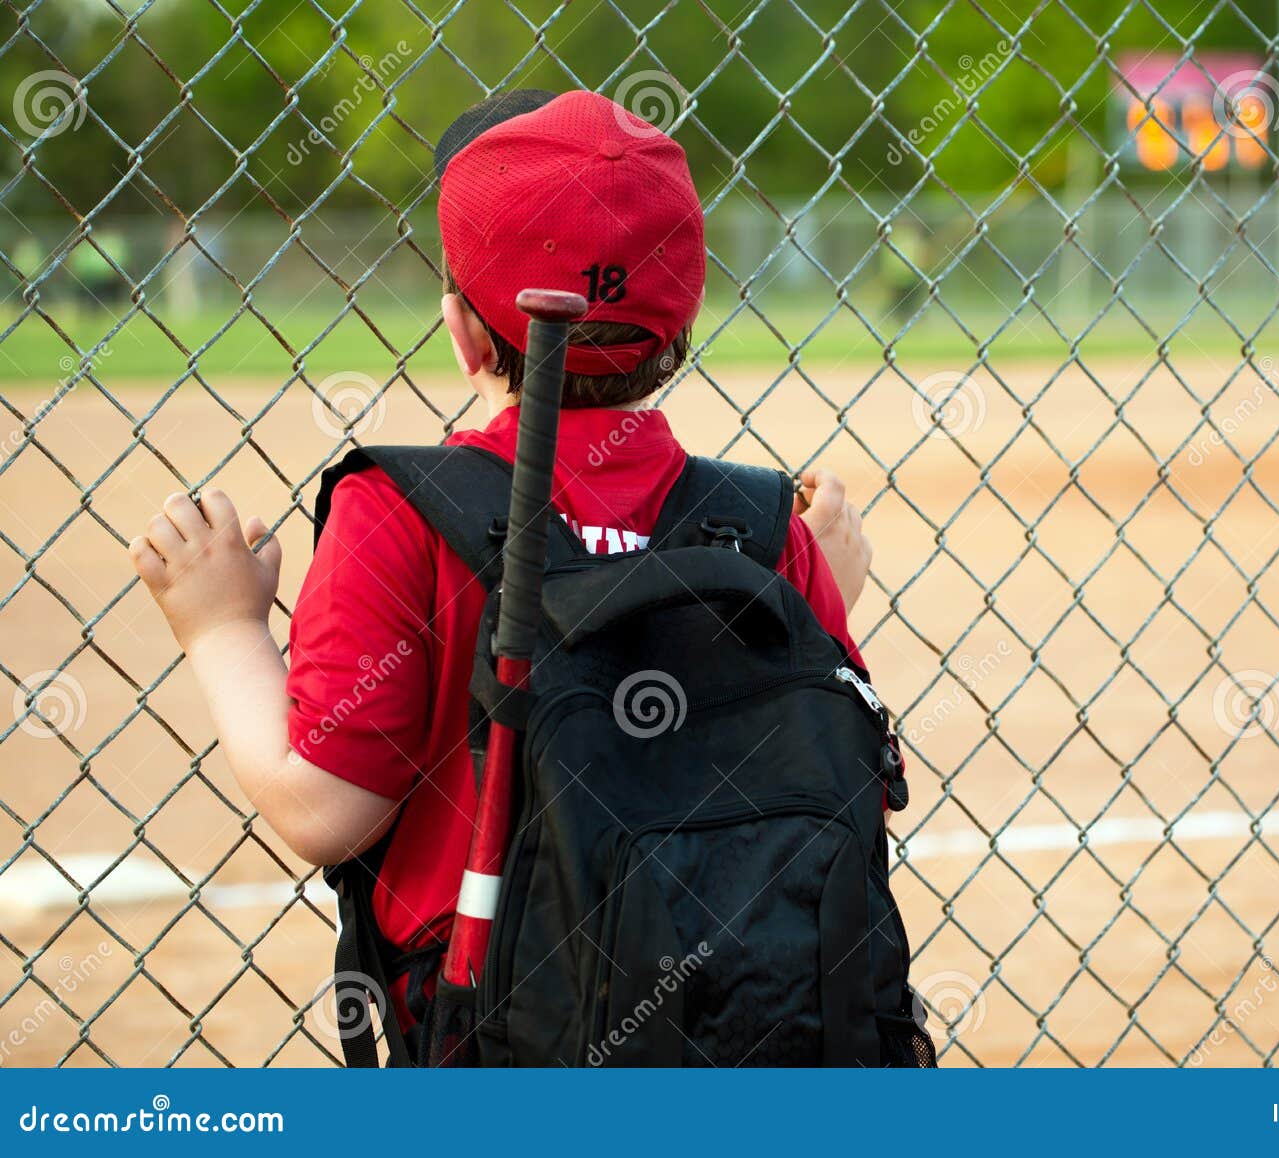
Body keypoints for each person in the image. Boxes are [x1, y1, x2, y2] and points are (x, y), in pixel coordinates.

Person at [126, 89, 874, 1036]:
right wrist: (807, 600)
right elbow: (832, 791)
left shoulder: (400, 513)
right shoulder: (759, 529)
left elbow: (323, 812)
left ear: (464, 330)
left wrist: (221, 624)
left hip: (502, 1035)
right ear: (681, 329)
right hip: (747, 1024)